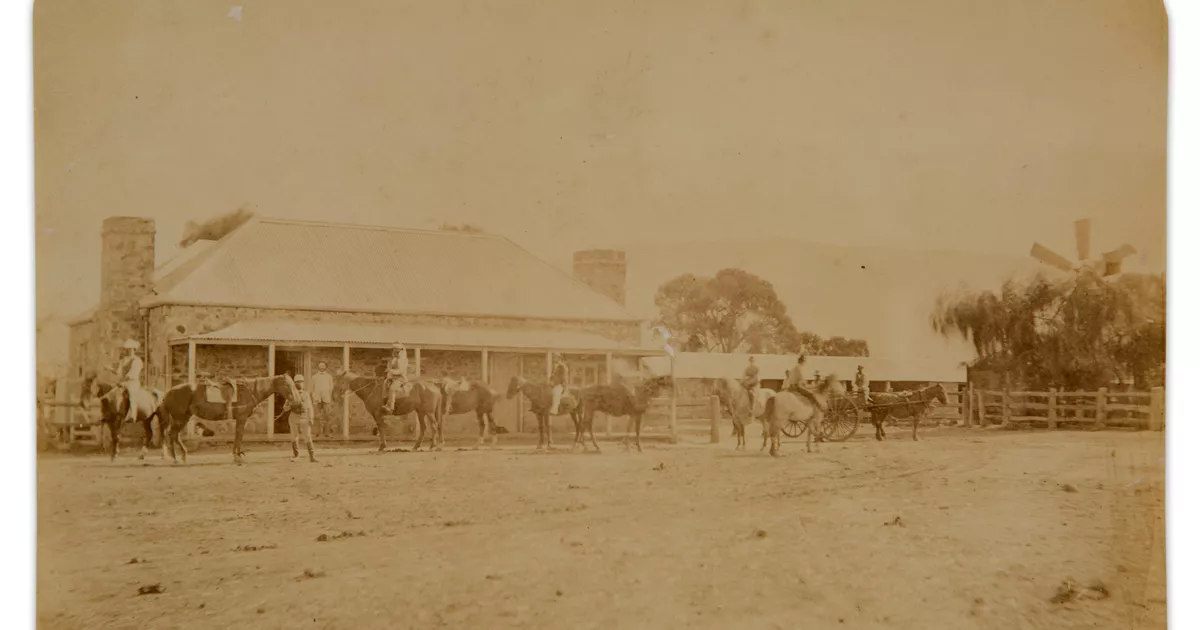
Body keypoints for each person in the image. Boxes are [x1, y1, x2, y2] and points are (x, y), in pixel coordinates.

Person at [286, 375, 317, 462]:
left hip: (304, 416)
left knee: (307, 436)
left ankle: (312, 456)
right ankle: (296, 455)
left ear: (303, 383)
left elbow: (309, 407)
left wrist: (311, 418)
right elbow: (285, 408)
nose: (299, 384)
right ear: (294, 383)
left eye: (301, 382)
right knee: (294, 436)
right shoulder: (290, 394)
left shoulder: (306, 394)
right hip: (293, 416)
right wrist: (290, 404)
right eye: (297, 382)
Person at [114, 339, 143, 425]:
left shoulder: (137, 360)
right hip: (123, 382)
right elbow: (119, 372)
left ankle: (133, 415)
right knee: (113, 393)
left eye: (131, 349)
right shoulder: (123, 360)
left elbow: (133, 373)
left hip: (132, 382)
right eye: (127, 349)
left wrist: (124, 379)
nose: (129, 351)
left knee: (131, 394)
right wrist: (111, 370)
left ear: (134, 350)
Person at [310, 361, 335, 437]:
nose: (321, 368)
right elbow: (311, 388)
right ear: (318, 367)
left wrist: (328, 396)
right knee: (316, 416)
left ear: (325, 367)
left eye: (323, 366)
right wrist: (314, 397)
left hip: (326, 398)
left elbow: (331, 388)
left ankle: (327, 433)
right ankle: (316, 432)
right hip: (317, 399)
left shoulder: (329, 377)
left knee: (327, 416)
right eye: (320, 366)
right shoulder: (314, 377)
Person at [382, 342, 409, 414]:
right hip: (392, 377)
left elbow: (400, 371)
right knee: (384, 384)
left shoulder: (403, 360)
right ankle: (385, 401)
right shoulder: (393, 359)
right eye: (394, 350)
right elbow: (390, 368)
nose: (395, 352)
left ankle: (390, 407)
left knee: (392, 388)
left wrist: (390, 370)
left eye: (397, 350)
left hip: (400, 378)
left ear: (400, 351)